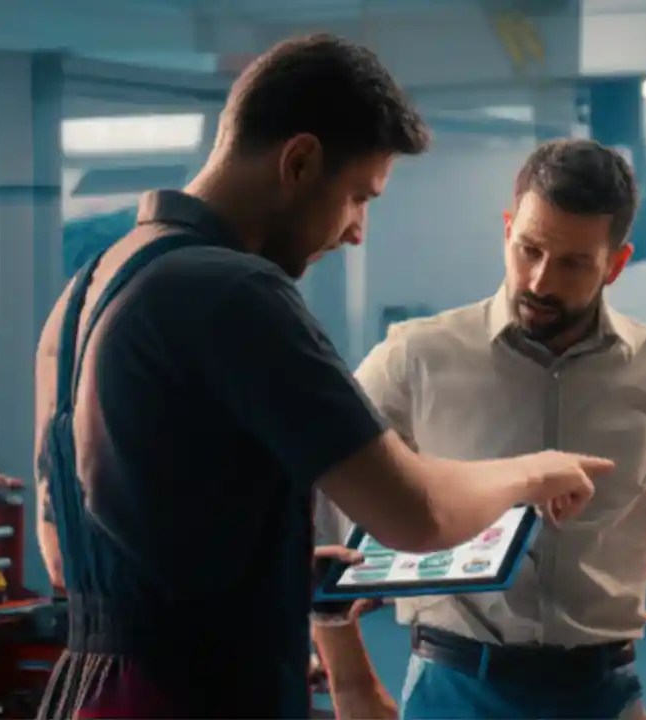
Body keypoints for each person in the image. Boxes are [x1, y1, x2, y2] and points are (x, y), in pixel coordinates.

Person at [32, 34, 609, 720]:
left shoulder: (85, 293)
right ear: (300, 162)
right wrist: (535, 472)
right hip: (194, 696)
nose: (357, 230)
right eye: (359, 197)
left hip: (89, 692)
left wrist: (268, 576)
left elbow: (73, 555)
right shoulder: (234, 291)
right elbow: (415, 511)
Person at [312, 139, 646, 719]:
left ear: (616, 263)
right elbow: (314, 486)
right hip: (452, 688)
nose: (540, 281)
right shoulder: (417, 356)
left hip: (602, 694)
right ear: (508, 229)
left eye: (574, 262)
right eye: (529, 249)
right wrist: (349, 681)